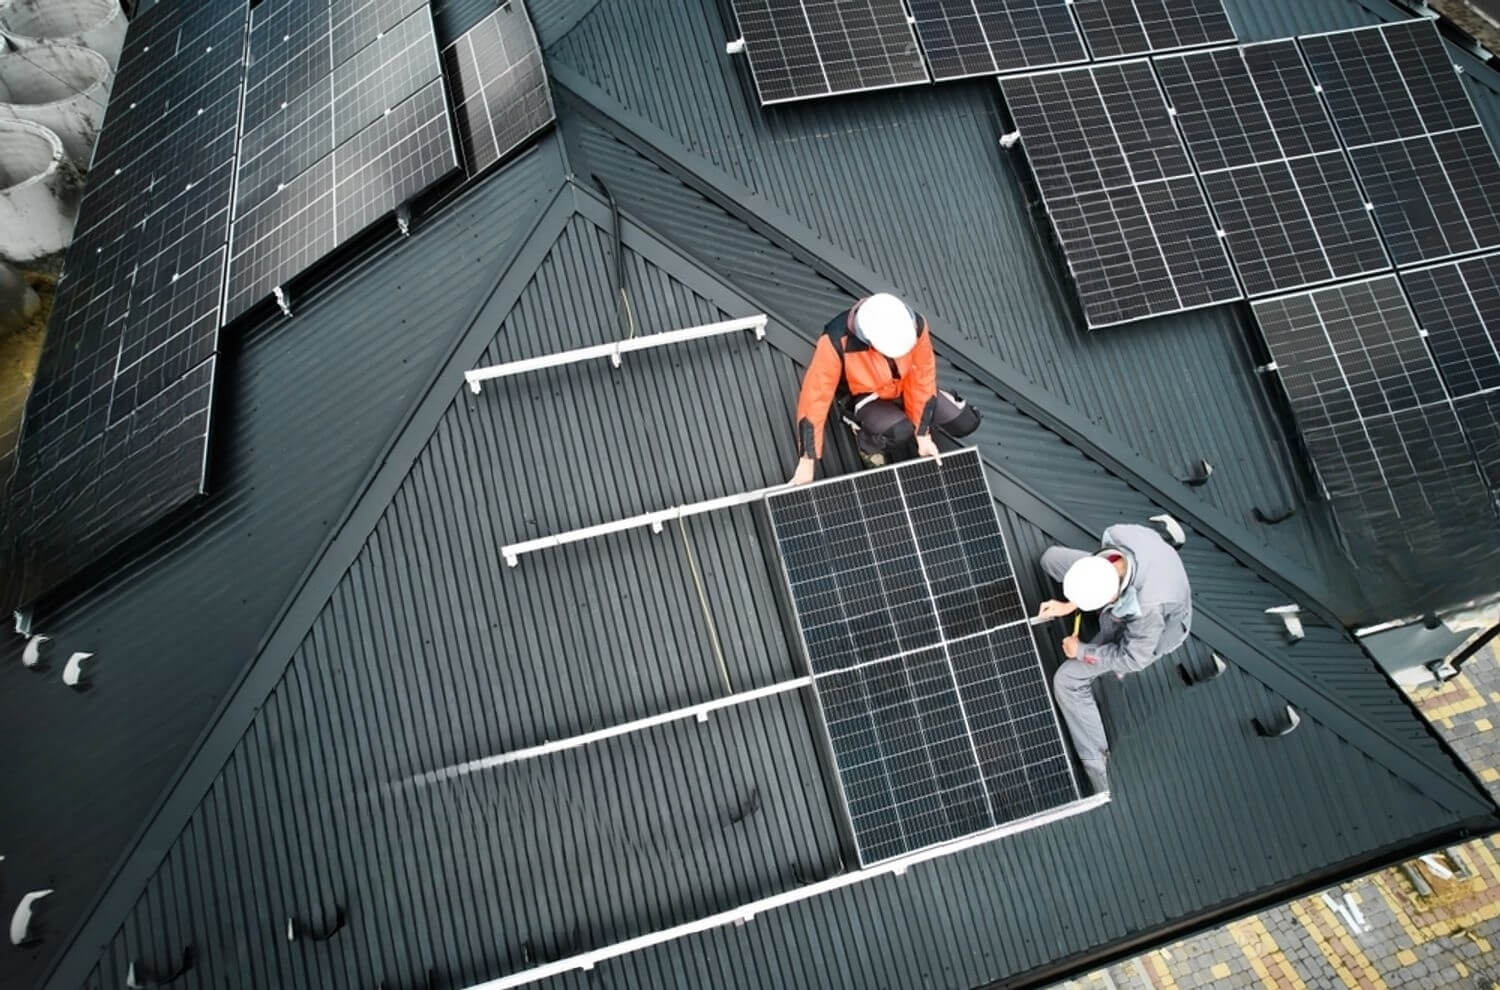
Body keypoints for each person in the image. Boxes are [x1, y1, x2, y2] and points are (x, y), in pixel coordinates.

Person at [1035, 523, 1191, 794]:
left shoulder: (1147, 610)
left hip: (1152, 633)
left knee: (1067, 680)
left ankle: (1095, 762)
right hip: (1127, 581)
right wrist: (1072, 603)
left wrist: (1082, 651)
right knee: (1051, 560)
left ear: (1111, 598)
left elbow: (1132, 659)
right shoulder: (1117, 536)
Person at [789, 293, 980, 484]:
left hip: (904, 387)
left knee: (966, 421)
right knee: (899, 431)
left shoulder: (914, 326)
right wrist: (807, 459)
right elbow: (814, 398)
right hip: (866, 395)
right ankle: (866, 441)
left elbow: (922, 376)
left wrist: (923, 435)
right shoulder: (836, 341)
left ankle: (915, 416)